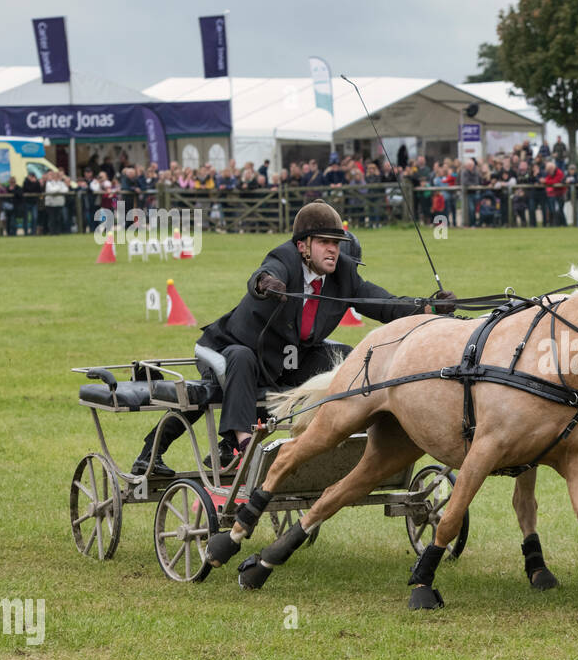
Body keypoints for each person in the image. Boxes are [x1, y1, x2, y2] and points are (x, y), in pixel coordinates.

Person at [131, 201, 458, 476]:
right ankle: (226, 449)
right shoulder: (284, 260)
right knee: (219, 384)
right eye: (325, 242)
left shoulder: (342, 273)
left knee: (349, 360)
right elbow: (260, 276)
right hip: (228, 347)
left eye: (337, 243)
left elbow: (380, 302)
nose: (333, 250)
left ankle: (345, 434)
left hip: (287, 355)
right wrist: (266, 285)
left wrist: (427, 307)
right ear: (302, 245)